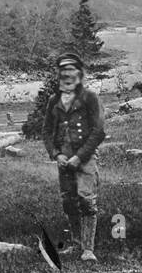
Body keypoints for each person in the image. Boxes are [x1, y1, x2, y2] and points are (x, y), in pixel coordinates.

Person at [41, 52, 106, 260]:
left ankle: (88, 249)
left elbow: (98, 131)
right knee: (69, 201)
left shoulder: (90, 98)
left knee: (86, 199)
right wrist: (56, 154)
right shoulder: (54, 100)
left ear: (80, 73)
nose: (67, 75)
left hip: (85, 158)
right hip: (63, 160)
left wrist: (79, 156)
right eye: (63, 71)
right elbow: (47, 132)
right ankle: (76, 244)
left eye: (71, 70)